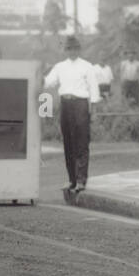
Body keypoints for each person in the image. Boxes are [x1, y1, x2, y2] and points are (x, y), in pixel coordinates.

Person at [44, 35, 100, 194]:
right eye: (68, 48)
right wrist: (38, 72)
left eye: (75, 48)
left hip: (80, 105)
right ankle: (72, 179)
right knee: (68, 143)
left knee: (81, 142)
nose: (72, 51)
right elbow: (48, 82)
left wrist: (93, 110)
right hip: (66, 105)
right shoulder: (59, 67)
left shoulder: (87, 66)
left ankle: (81, 180)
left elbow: (93, 88)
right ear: (65, 50)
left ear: (79, 49)